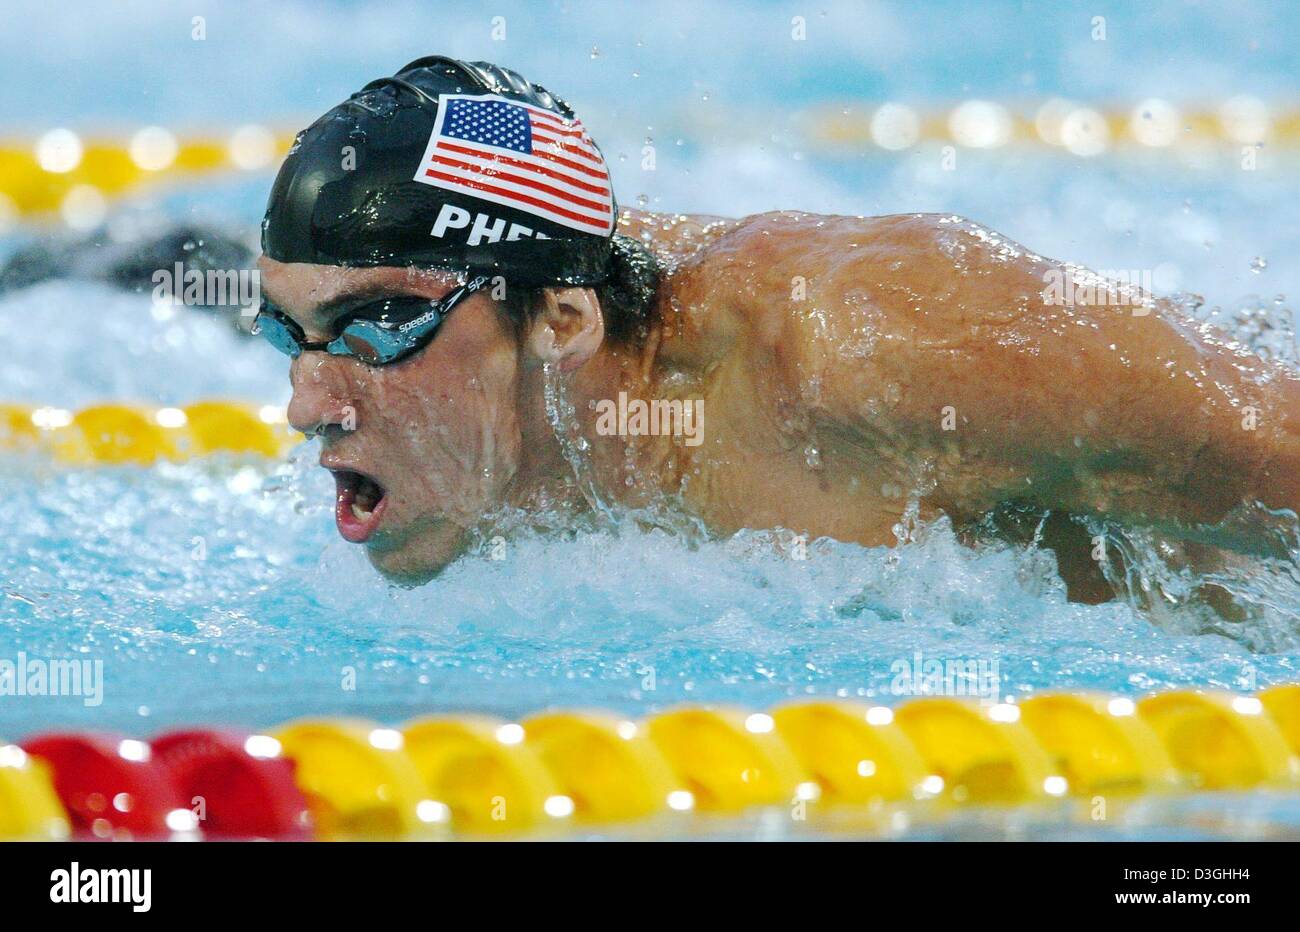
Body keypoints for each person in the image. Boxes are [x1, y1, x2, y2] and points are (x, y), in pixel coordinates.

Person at [257, 56, 1300, 594]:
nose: (307, 402)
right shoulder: (512, 382)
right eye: (288, 331)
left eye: (376, 324)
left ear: (562, 320)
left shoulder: (864, 350)